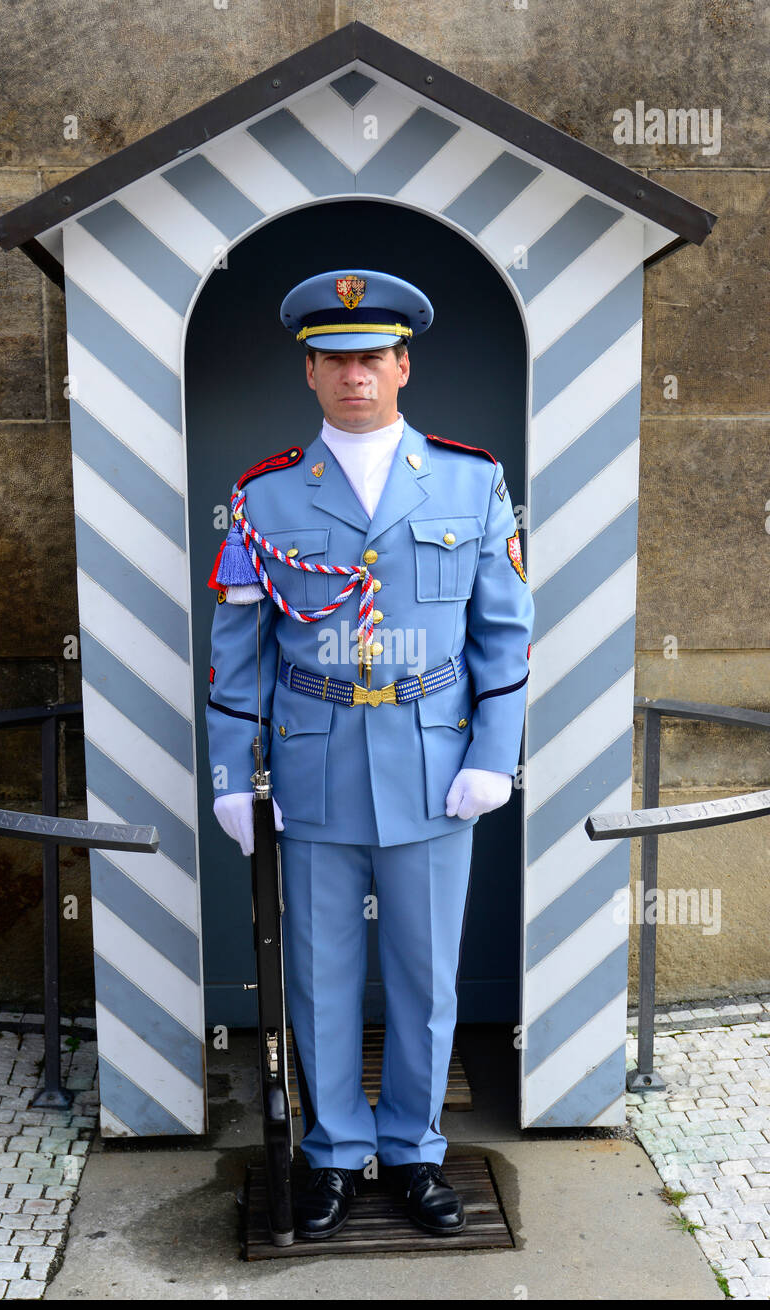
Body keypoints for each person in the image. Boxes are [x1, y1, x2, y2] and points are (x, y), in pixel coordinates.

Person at [206, 269, 533, 1239]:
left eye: (372, 357)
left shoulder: (472, 481)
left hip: (436, 763)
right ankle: (335, 1151)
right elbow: (238, 650)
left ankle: (418, 1150)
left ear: (403, 364)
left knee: (429, 976)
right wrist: (232, 772)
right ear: (309, 373)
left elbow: (505, 634)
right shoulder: (263, 498)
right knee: (321, 974)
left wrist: (495, 751)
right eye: (335, 360)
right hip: (312, 764)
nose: (356, 375)